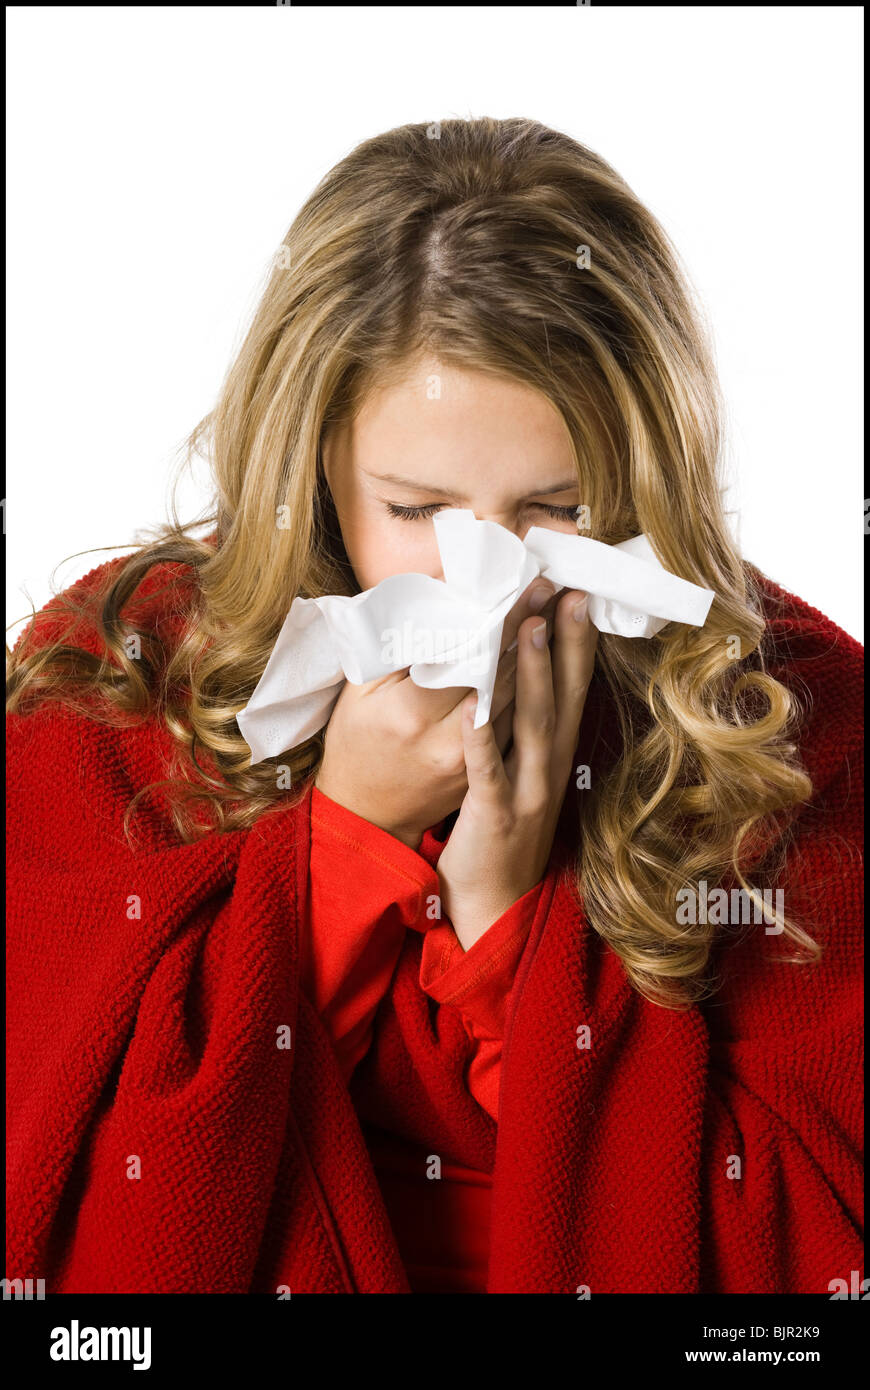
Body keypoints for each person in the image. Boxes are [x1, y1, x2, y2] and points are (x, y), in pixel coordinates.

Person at [6, 116, 863, 1295]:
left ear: (639, 483)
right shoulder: (121, 680)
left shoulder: (791, 717)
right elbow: (72, 1198)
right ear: (315, 474)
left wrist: (509, 912)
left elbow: (802, 1240)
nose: (489, 579)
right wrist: (343, 848)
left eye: (556, 509)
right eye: (417, 511)